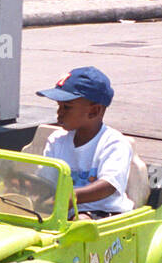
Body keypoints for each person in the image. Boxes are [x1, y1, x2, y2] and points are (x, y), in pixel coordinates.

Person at [36, 66, 134, 219]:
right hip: (63, 209)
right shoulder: (56, 140)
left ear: (94, 111)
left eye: (67, 107)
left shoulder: (114, 143)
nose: (59, 113)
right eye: (59, 106)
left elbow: (108, 185)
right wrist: (22, 184)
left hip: (103, 213)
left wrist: (71, 197)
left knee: (80, 222)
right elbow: (45, 181)